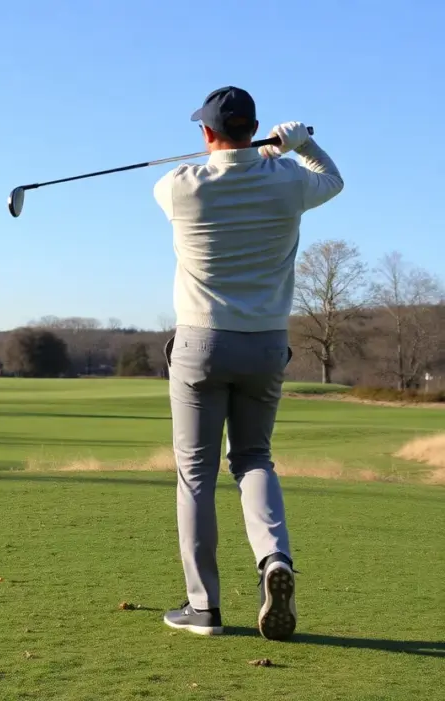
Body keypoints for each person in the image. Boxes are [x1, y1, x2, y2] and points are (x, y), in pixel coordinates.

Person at [152, 86, 344, 640]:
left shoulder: (178, 186)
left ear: (206, 132)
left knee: (196, 473)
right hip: (264, 344)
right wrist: (299, 145)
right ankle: (273, 559)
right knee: (254, 458)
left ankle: (204, 608)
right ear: (254, 128)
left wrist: (255, 156)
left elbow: (214, 171)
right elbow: (332, 180)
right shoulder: (288, 181)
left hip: (201, 344)